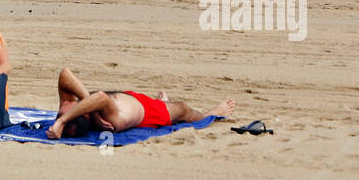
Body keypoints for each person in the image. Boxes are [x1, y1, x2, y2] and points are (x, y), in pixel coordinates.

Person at [45, 67, 234, 138]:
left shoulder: (69, 112)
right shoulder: (112, 122)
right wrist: (63, 121)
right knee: (183, 110)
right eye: (65, 111)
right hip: (146, 113)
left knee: (161, 103)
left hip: (128, 98)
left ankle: (162, 102)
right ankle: (214, 113)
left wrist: (62, 119)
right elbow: (101, 97)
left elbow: (65, 74)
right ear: (84, 113)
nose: (64, 105)